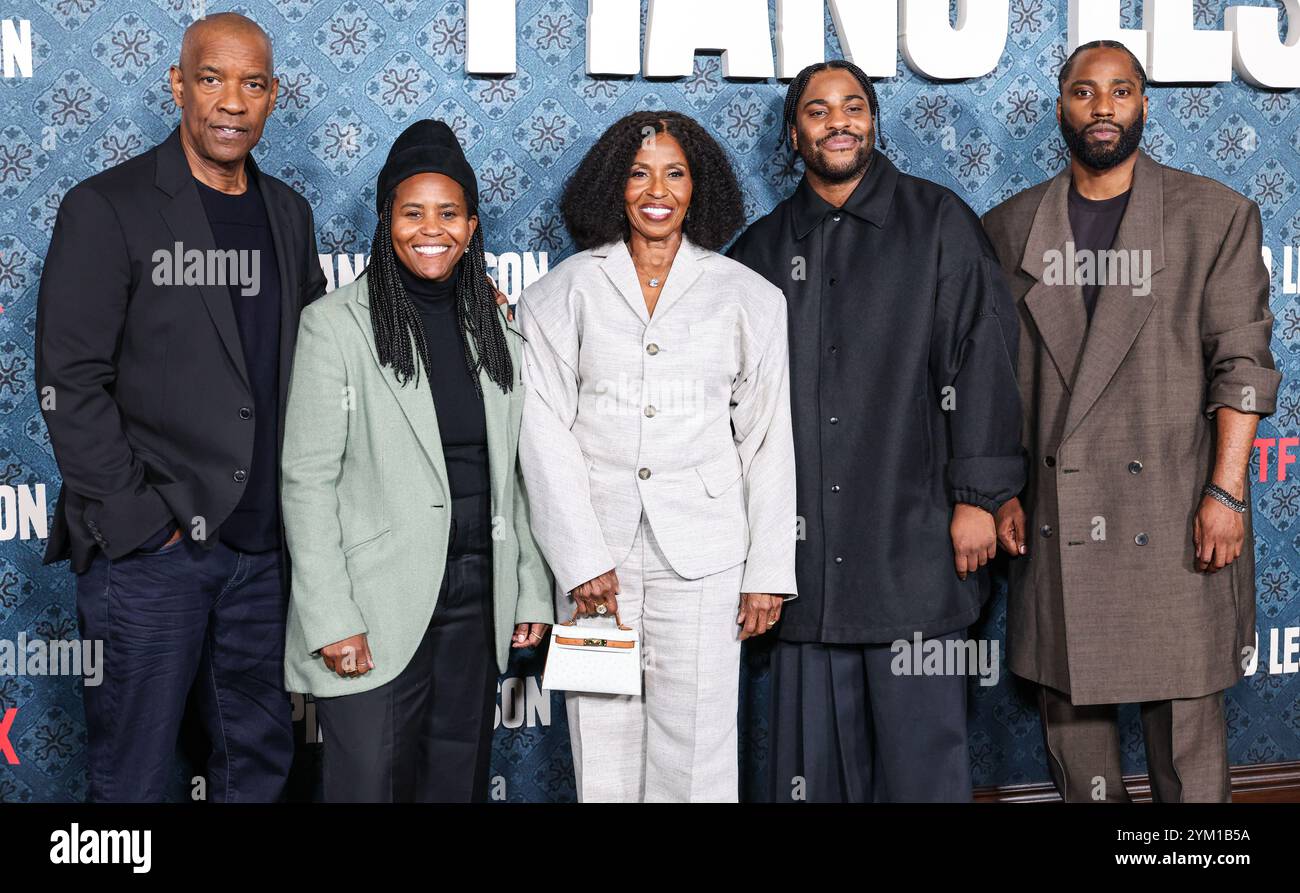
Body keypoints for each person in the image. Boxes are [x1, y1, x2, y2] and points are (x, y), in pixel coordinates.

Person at [34, 13, 324, 802]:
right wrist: (140, 525)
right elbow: (70, 379)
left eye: (252, 84)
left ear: (273, 97)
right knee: (130, 777)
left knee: (256, 769)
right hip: (152, 555)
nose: (232, 101)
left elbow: (325, 355)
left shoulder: (289, 215)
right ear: (177, 85)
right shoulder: (109, 206)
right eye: (211, 78)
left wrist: (471, 304)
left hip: (264, 553)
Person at [982, 41, 1280, 803]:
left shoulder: (1212, 215)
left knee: (1188, 752)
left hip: (1179, 514)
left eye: (1120, 91)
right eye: (1085, 92)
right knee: (1079, 756)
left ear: (1144, 105)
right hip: (1059, 519)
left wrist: (1227, 494)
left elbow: (1241, 369)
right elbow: (989, 383)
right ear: (1060, 108)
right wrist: (999, 490)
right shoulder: (1010, 228)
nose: (1103, 107)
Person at [728, 60, 1024, 802]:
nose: (838, 121)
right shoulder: (759, 251)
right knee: (814, 776)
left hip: (916, 548)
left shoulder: (938, 222)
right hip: (805, 566)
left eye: (853, 106)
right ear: (794, 134)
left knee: (921, 770)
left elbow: (982, 355)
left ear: (873, 120)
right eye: (818, 110)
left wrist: (980, 498)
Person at [516, 111, 797, 802]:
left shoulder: (748, 297)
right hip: (596, 563)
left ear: (698, 187)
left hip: (704, 558)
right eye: (639, 172)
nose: (657, 189)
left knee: (697, 754)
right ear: (615, 185)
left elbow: (766, 442)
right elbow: (541, 430)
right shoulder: (562, 291)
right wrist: (580, 557)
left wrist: (767, 570)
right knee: (602, 751)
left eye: (675, 172)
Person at [281, 119, 553, 803]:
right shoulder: (335, 325)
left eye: (448, 212)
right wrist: (331, 615)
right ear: (386, 220)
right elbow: (307, 480)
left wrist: (529, 586)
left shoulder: (496, 328)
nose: (430, 228)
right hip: (375, 603)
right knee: (369, 786)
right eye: (412, 212)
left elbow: (517, 473)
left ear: (471, 226)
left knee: (454, 784)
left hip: (475, 599)